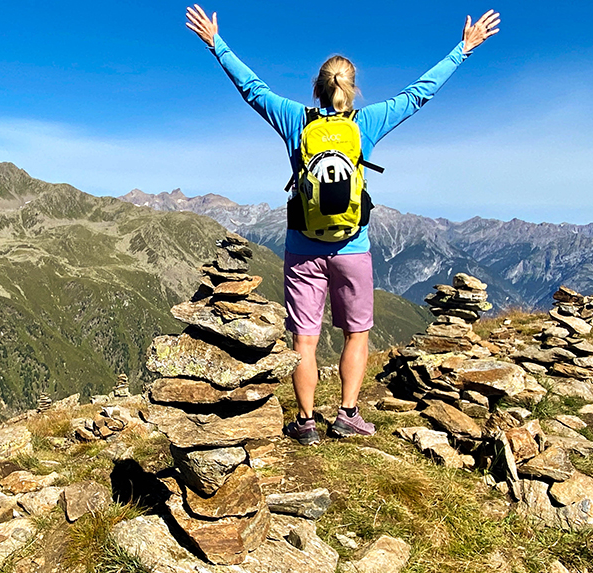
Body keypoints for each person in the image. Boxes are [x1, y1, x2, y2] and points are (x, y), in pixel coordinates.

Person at [186, 6, 500, 445]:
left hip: (302, 245)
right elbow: (418, 94)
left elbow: (252, 89)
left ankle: (306, 422)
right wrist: (463, 49)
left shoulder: (296, 121)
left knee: (306, 339)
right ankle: (348, 414)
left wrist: (216, 44)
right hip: (353, 246)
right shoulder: (366, 123)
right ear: (353, 90)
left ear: (317, 89)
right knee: (356, 332)